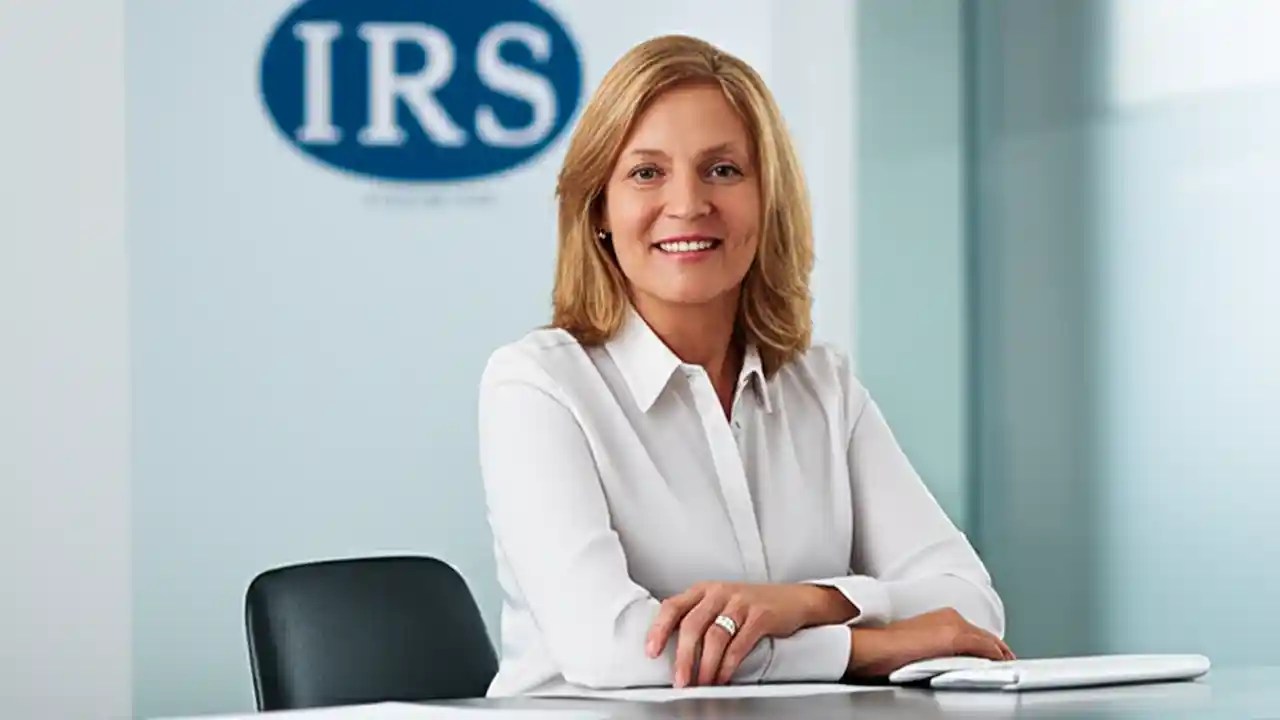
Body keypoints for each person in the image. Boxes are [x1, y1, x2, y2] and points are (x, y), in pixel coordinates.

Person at [477, 34, 1011, 698]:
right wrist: (864, 647)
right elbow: (612, 651)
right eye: (647, 172)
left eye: (723, 170)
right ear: (600, 211)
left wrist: (808, 602)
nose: (688, 203)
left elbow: (970, 607)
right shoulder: (537, 387)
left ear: (767, 199)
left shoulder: (822, 387)